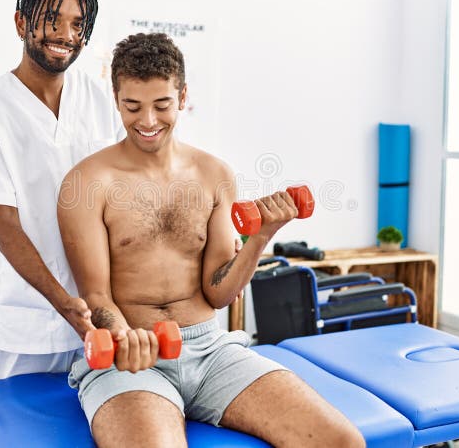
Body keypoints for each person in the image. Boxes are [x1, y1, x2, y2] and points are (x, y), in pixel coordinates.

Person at [58, 33, 365, 447]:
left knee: (342, 441)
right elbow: (96, 296)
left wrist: (259, 237)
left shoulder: (214, 174)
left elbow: (218, 293)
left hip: (212, 350)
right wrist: (123, 336)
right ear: (116, 99)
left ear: (182, 96)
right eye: (133, 106)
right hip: (131, 359)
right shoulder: (88, 182)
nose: (148, 121)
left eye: (162, 105)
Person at [0, 0, 125, 380]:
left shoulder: (102, 102)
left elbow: (126, 197)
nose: (64, 34)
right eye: (51, 19)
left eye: (77, 25)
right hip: (29, 325)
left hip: (102, 316)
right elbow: (4, 226)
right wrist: (64, 302)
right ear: (21, 22)